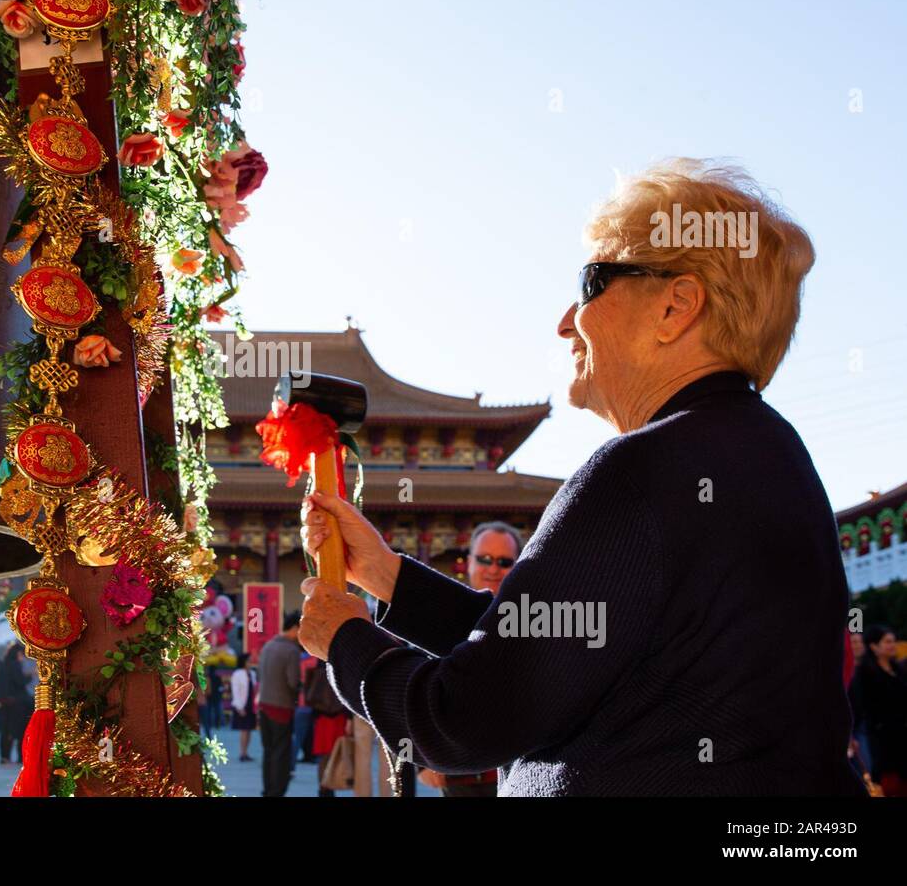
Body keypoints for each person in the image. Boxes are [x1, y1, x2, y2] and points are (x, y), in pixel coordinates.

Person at [299, 160, 864, 796]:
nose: (568, 320)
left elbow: (465, 719)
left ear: (675, 307)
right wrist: (386, 576)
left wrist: (344, 638)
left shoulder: (642, 469)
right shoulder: (775, 452)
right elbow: (562, 645)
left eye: (593, 282)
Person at [421, 521, 524, 798]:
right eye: (484, 559)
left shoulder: (534, 620)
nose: (493, 569)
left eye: (504, 562)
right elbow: (420, 685)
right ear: (468, 563)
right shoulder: (442, 616)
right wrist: (420, 758)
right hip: (457, 773)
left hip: (516, 771)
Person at [850, 626, 907, 796]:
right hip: (883, 740)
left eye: (893, 641)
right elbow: (863, 707)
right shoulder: (865, 673)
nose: (893, 645)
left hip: (902, 735)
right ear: (874, 646)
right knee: (890, 783)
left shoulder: (899, 669)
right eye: (887, 642)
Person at [256, 612, 302, 797]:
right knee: (281, 753)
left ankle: (267, 790)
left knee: (268, 752)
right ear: (294, 628)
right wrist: (299, 689)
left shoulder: (268, 645)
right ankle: (277, 791)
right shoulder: (291, 650)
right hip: (281, 708)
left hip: (264, 705)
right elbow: (293, 682)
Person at [305, 658, 348, 796]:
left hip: (321, 715)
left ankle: (324, 788)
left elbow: (311, 693)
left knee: (324, 756)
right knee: (336, 753)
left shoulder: (318, 664)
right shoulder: (341, 663)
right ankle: (329, 787)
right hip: (338, 715)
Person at [0, 644, 28, 765]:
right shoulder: (15, 665)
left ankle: (4, 756)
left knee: (5, 731)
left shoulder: (2, 666)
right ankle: (21, 757)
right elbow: (20, 682)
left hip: (4, 703)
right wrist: (29, 676)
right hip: (16, 703)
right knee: (19, 730)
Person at [229, 652, 256, 762]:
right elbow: (235, 691)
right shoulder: (237, 673)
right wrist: (239, 707)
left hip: (251, 704)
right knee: (244, 730)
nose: (250, 662)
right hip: (242, 705)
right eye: (248, 661)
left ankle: (246, 752)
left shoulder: (252, 673)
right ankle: (242, 753)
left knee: (249, 729)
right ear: (243, 662)